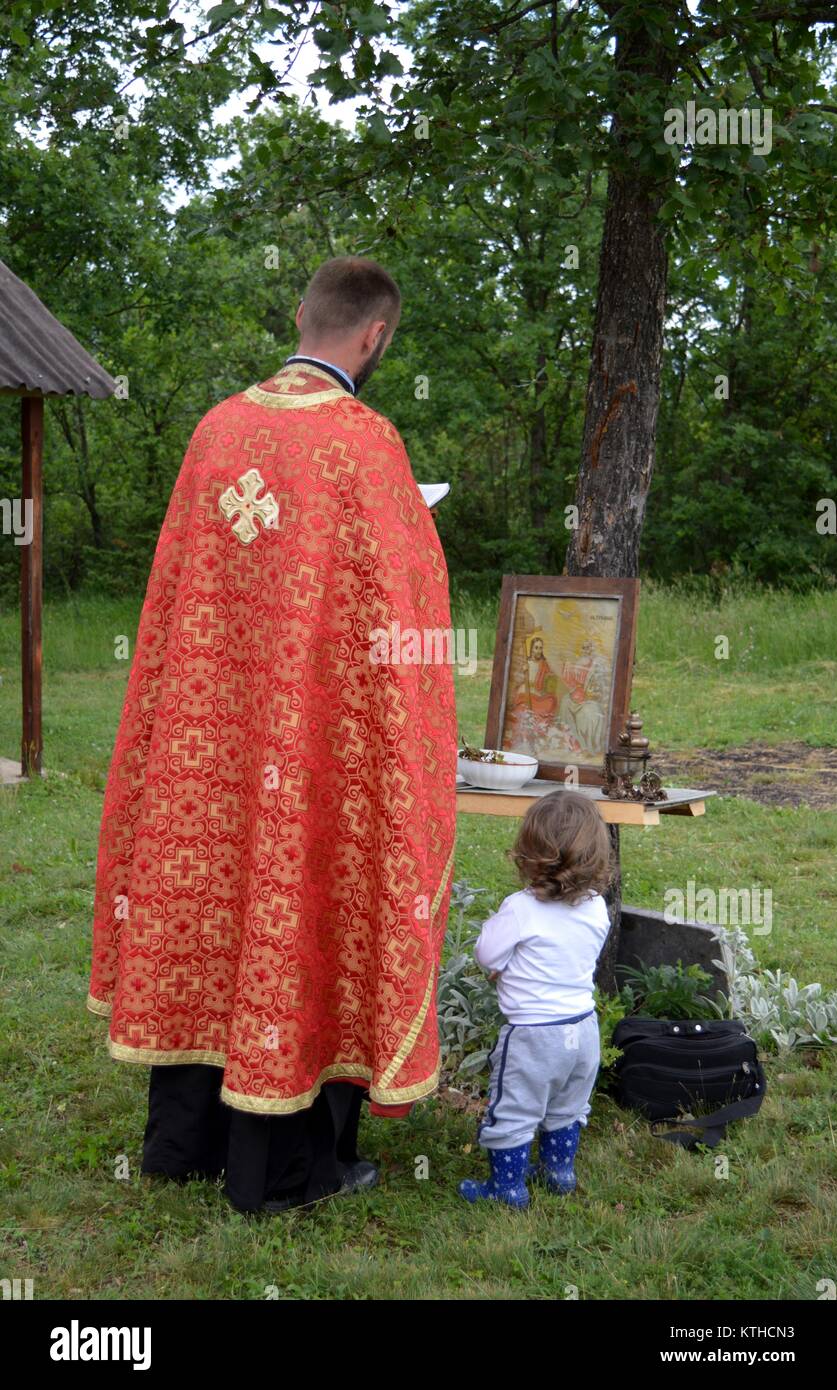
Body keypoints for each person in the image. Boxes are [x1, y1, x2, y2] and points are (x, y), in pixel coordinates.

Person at [87, 257, 457, 1213]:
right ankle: (289, 1168)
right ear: (375, 338)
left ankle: (186, 1143)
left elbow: (173, 606)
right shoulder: (365, 445)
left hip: (203, 753)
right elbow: (405, 616)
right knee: (299, 905)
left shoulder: (215, 430)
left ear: (301, 315)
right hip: (315, 751)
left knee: (209, 903)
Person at [459, 790, 611, 1209]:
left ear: (526, 853)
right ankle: (559, 1172)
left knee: (514, 1110)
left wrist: (502, 968)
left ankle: (506, 1188)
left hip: (532, 1035)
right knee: (568, 1105)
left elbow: (487, 954)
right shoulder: (597, 908)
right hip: (582, 1029)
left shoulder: (520, 909)